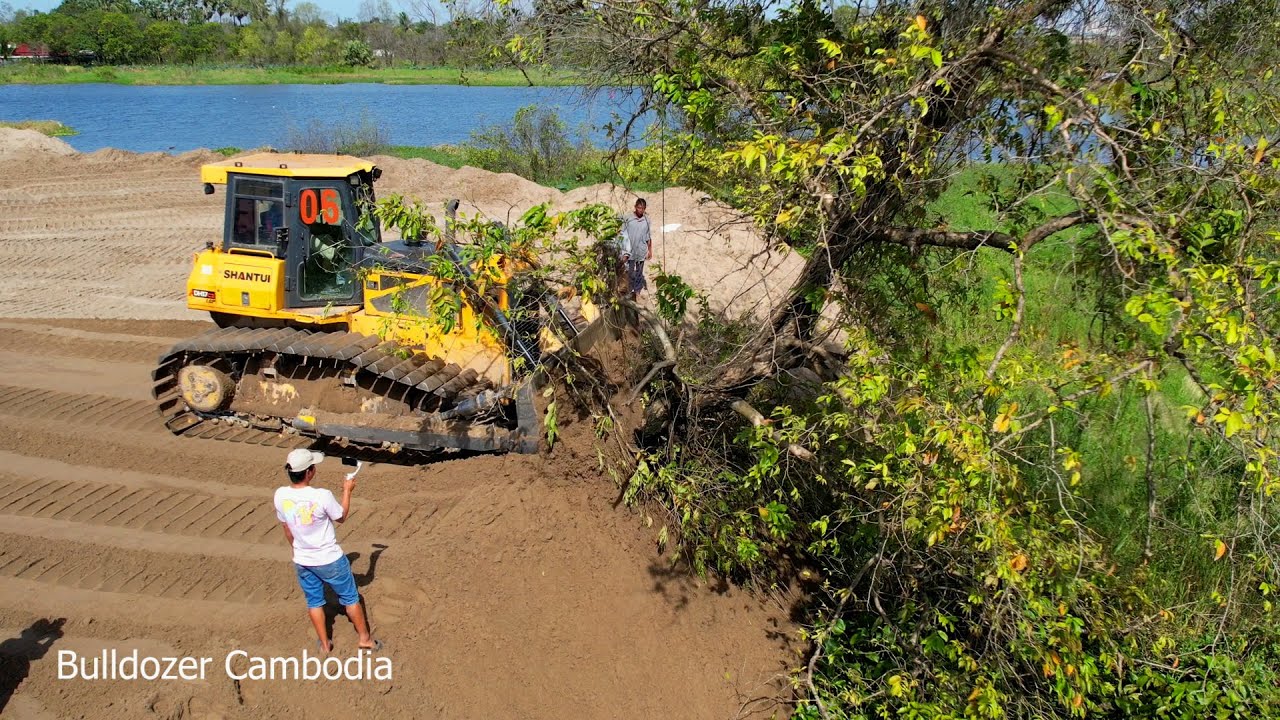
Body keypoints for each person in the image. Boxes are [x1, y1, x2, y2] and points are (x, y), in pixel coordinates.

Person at [274, 448, 381, 654]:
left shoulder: (280, 495)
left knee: (314, 602)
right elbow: (341, 516)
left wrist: (299, 550)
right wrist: (347, 490)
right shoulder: (322, 496)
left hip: (303, 560)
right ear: (309, 472)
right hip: (330, 559)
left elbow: (287, 528)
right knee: (351, 599)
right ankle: (365, 640)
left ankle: (324, 645)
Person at [619, 198, 652, 301]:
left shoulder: (647, 220)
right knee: (629, 271)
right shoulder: (628, 218)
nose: (640, 210)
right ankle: (629, 289)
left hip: (641, 250)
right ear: (635, 207)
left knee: (639, 272)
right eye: (639, 208)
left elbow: (648, 236)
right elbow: (621, 233)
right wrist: (622, 250)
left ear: (645, 208)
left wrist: (650, 250)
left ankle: (637, 291)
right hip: (629, 250)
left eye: (642, 208)